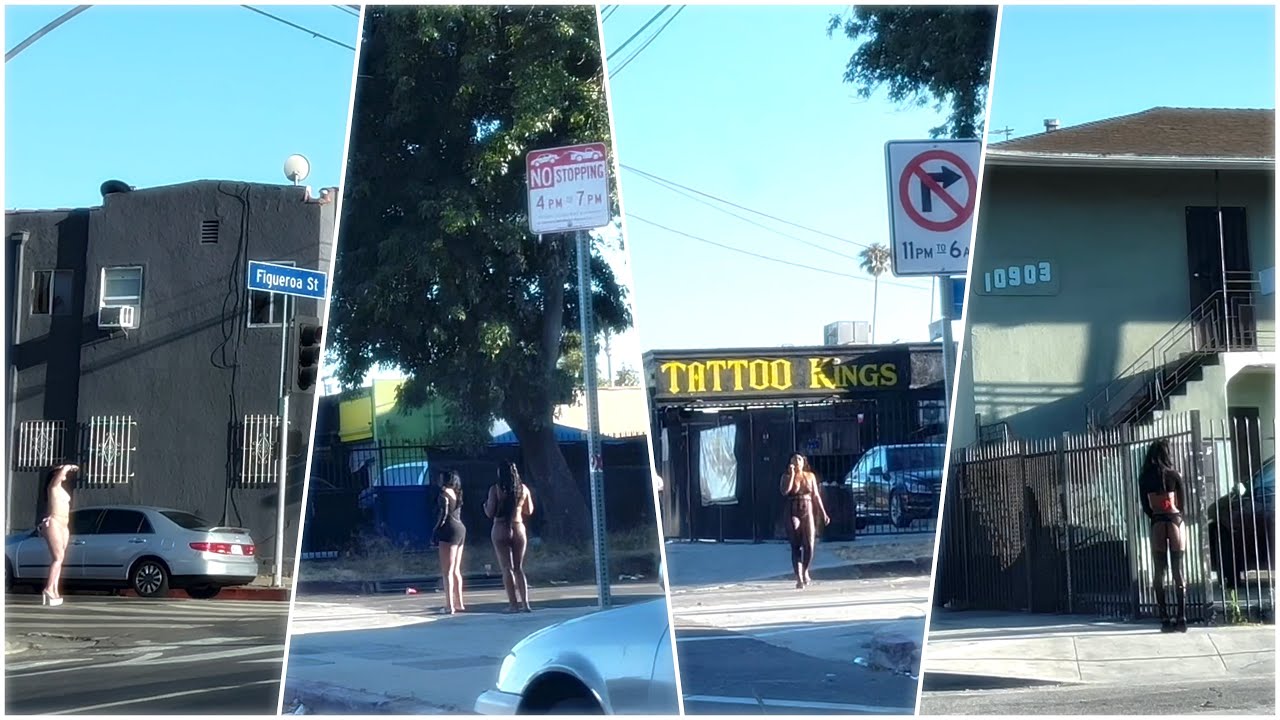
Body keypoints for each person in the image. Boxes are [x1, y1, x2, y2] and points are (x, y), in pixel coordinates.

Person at [1139, 439, 1187, 633]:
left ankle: (1164, 618)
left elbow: (1145, 506)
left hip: (1157, 521)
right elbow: (1183, 504)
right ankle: (1182, 617)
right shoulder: (1175, 475)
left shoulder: (1144, 478)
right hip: (1175, 520)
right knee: (1178, 570)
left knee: (1159, 571)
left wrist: (1156, 514)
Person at [485, 462, 534, 613]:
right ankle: (526, 604)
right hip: (518, 526)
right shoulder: (523, 489)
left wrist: (484, 506)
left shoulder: (496, 490)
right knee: (519, 568)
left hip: (500, 527)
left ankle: (513, 605)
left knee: (507, 568)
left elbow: (490, 512)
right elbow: (529, 510)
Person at [780, 453, 829, 589]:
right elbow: (785, 491)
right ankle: (799, 577)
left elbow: (816, 496)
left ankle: (805, 569)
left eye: (799, 459)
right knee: (795, 544)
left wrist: (823, 513)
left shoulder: (810, 476)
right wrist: (792, 475)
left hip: (807, 509)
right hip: (793, 509)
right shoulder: (786, 477)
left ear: (803, 462)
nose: (797, 462)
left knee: (809, 544)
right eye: (794, 460)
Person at [39, 464, 77, 607]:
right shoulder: (52, 487)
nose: (64, 474)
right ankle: (48, 588)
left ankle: (54, 589)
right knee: (58, 557)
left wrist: (65, 468)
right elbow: (60, 475)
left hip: (64, 525)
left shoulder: (61, 489)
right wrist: (67, 466)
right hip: (54, 522)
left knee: (61, 559)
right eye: (60, 472)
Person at [433, 470, 467, 614]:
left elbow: (443, 514)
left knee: (446, 571)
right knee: (456, 570)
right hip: (460, 528)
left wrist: (436, 530)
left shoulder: (444, 493)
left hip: (448, 530)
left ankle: (449, 605)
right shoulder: (457, 492)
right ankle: (459, 602)